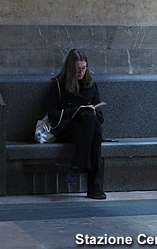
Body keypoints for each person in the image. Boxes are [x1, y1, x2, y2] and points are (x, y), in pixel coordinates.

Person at [47, 49, 106, 200]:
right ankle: (96, 188)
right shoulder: (59, 85)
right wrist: (77, 111)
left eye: (84, 68)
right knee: (94, 130)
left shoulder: (91, 85)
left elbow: (101, 116)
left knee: (92, 123)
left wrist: (93, 111)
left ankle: (77, 165)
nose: (81, 72)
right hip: (68, 129)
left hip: (89, 129)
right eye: (78, 69)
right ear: (70, 68)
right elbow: (53, 116)